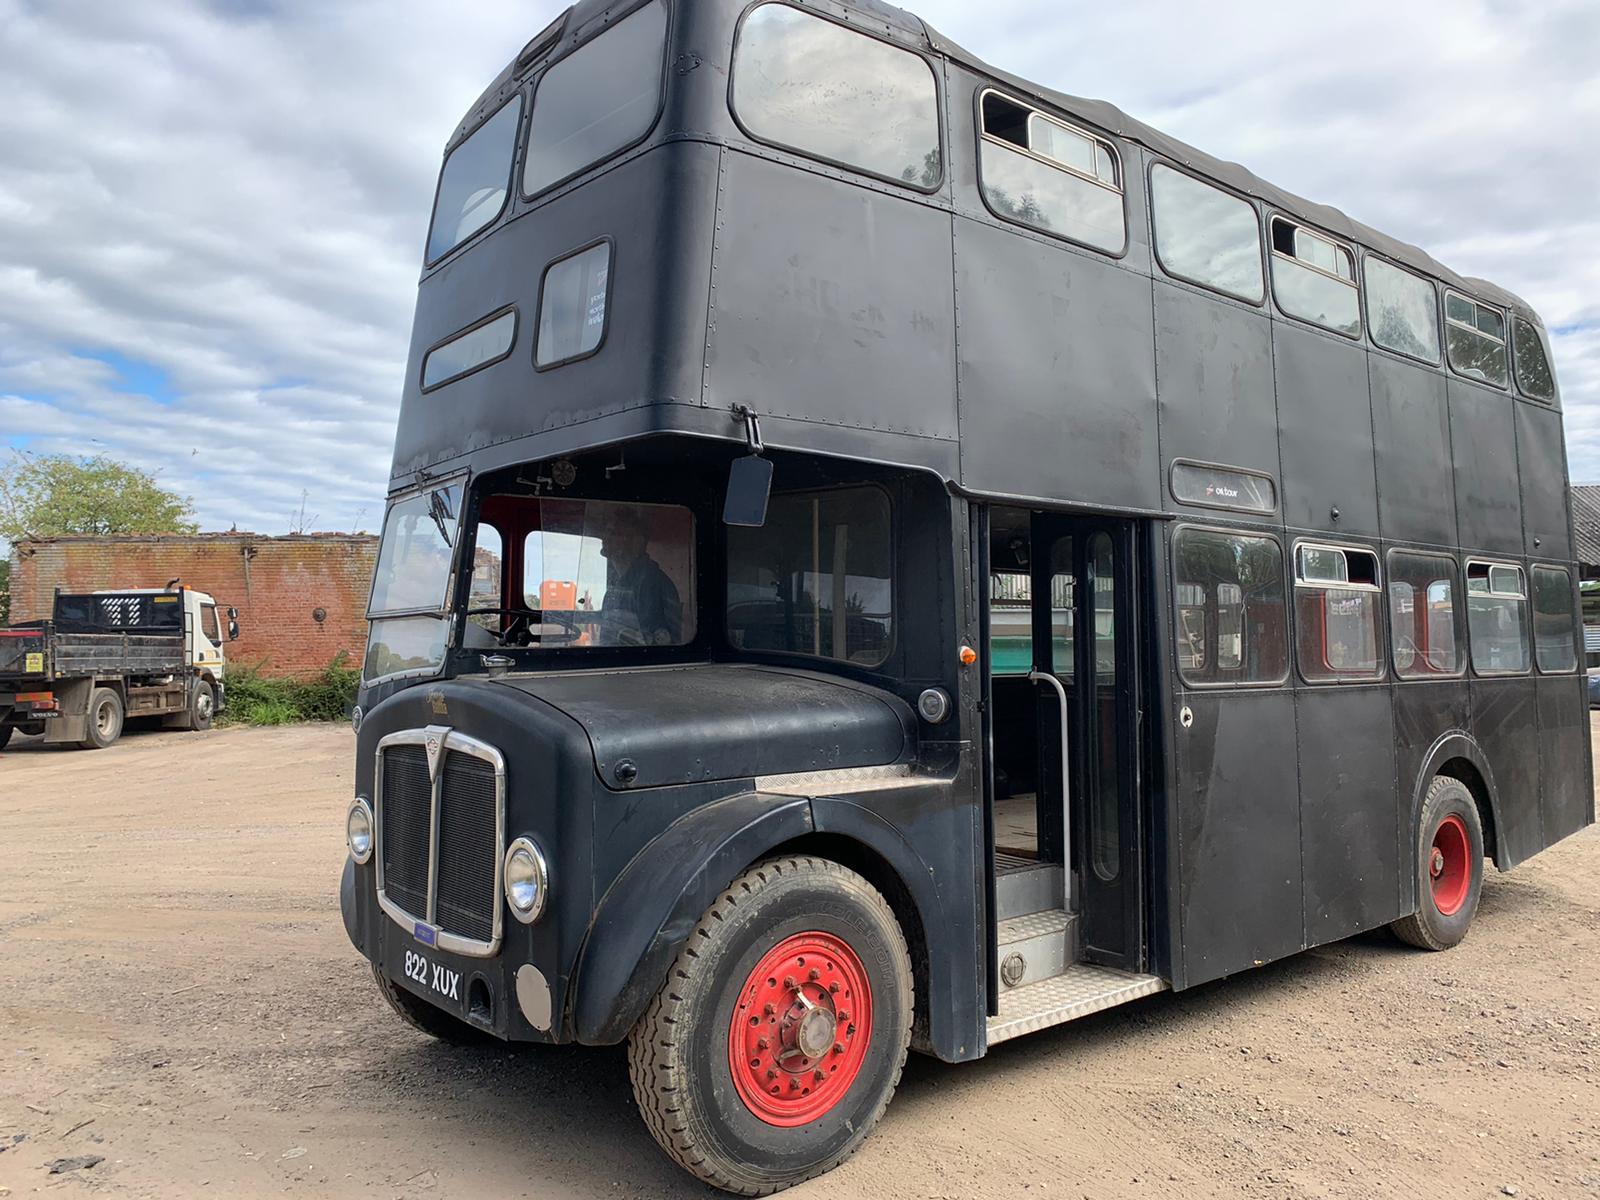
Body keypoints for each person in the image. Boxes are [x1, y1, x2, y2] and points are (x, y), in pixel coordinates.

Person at [594, 508, 682, 646]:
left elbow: (650, 647)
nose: (605, 538)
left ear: (637, 542)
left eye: (615, 533)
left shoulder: (650, 584)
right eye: (607, 532)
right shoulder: (620, 585)